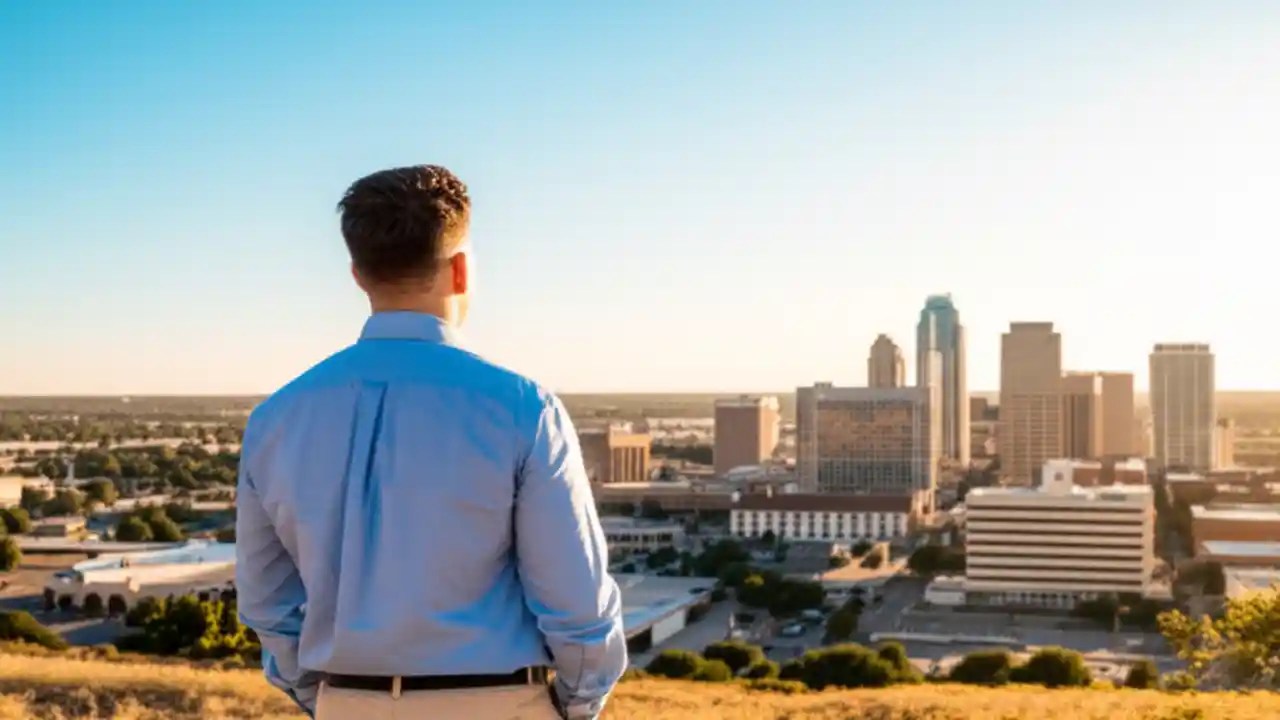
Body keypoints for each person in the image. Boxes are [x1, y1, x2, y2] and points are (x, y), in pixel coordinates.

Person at [235, 165, 627, 719]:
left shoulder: (275, 418)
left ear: (357, 274)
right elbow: (576, 603)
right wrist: (575, 704)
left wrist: (322, 696)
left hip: (348, 703)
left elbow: (267, 603)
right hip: (500, 703)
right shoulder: (523, 408)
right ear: (461, 269)